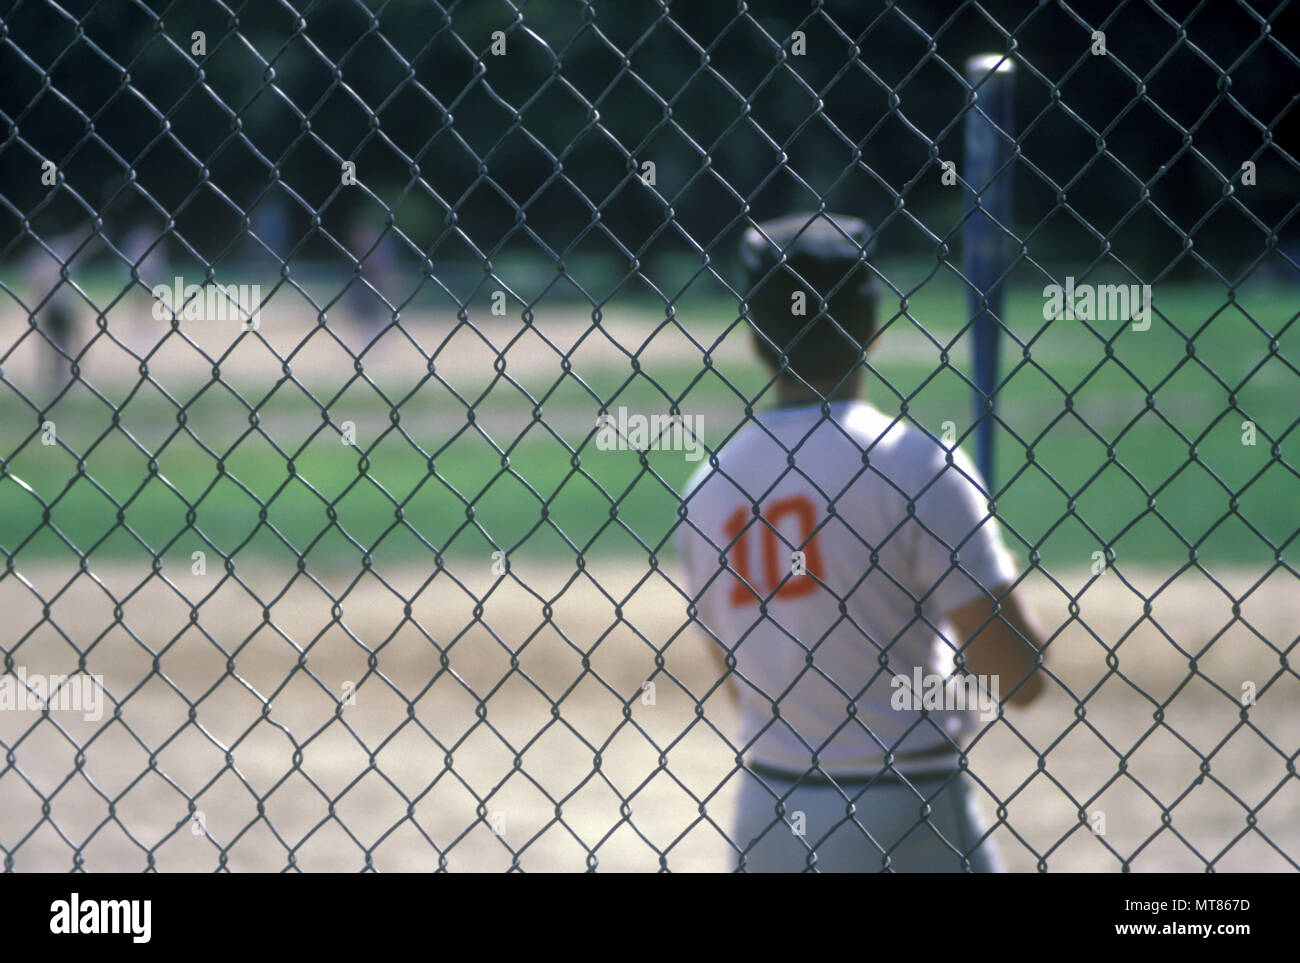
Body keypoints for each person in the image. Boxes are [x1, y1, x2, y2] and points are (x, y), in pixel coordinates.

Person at [675, 211, 1047, 872]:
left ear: (756, 337)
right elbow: (1018, 678)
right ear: (872, 327)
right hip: (908, 811)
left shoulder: (709, 487)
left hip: (770, 810)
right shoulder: (917, 464)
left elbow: (741, 685)